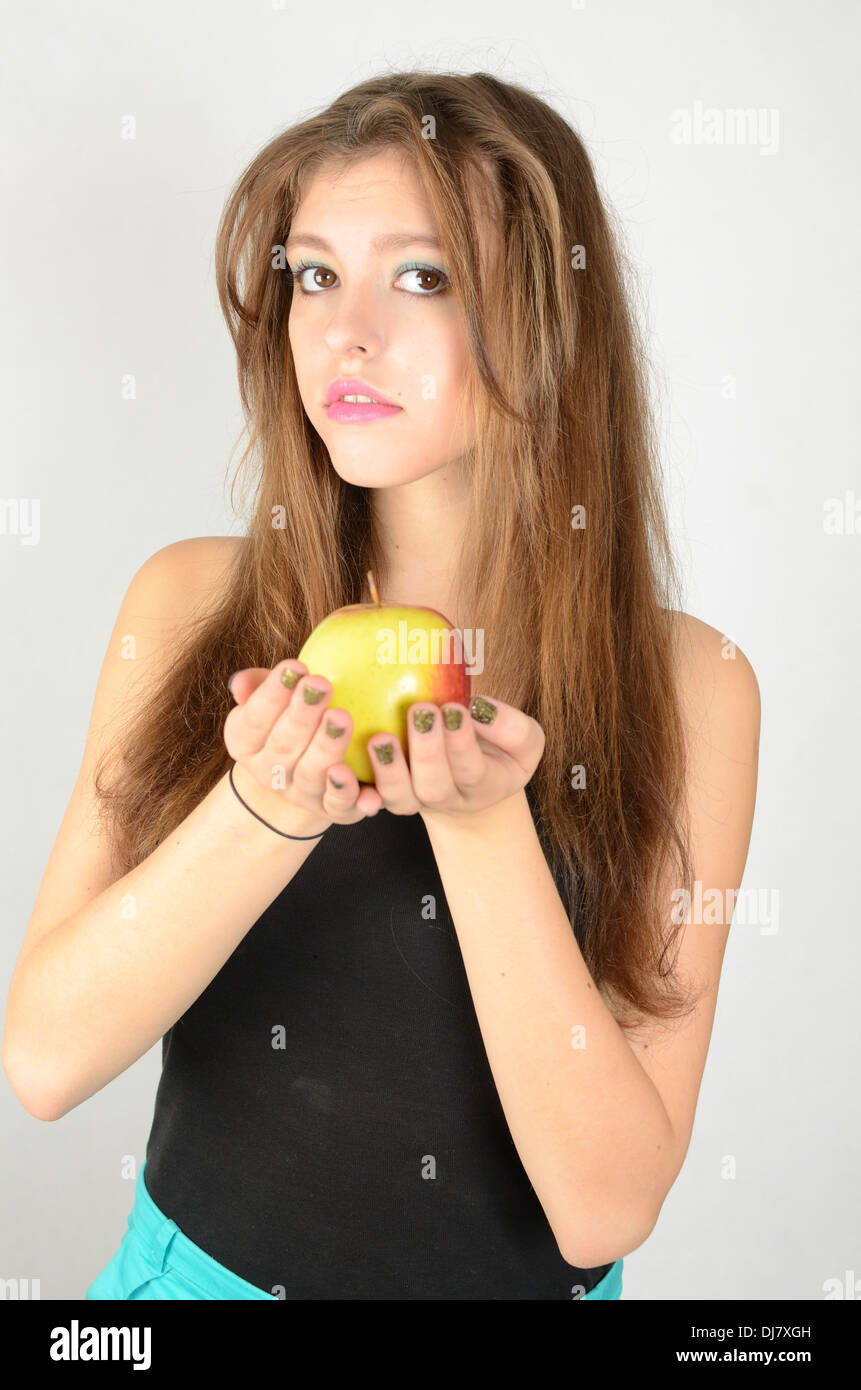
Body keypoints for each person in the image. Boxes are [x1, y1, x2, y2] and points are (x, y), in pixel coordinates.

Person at [2, 70, 760, 1300]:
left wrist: (478, 824)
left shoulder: (692, 685)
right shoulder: (193, 603)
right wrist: (266, 811)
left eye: (423, 276)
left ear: (551, 315)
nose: (347, 332)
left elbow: (606, 1210)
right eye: (314, 275)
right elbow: (41, 1061)